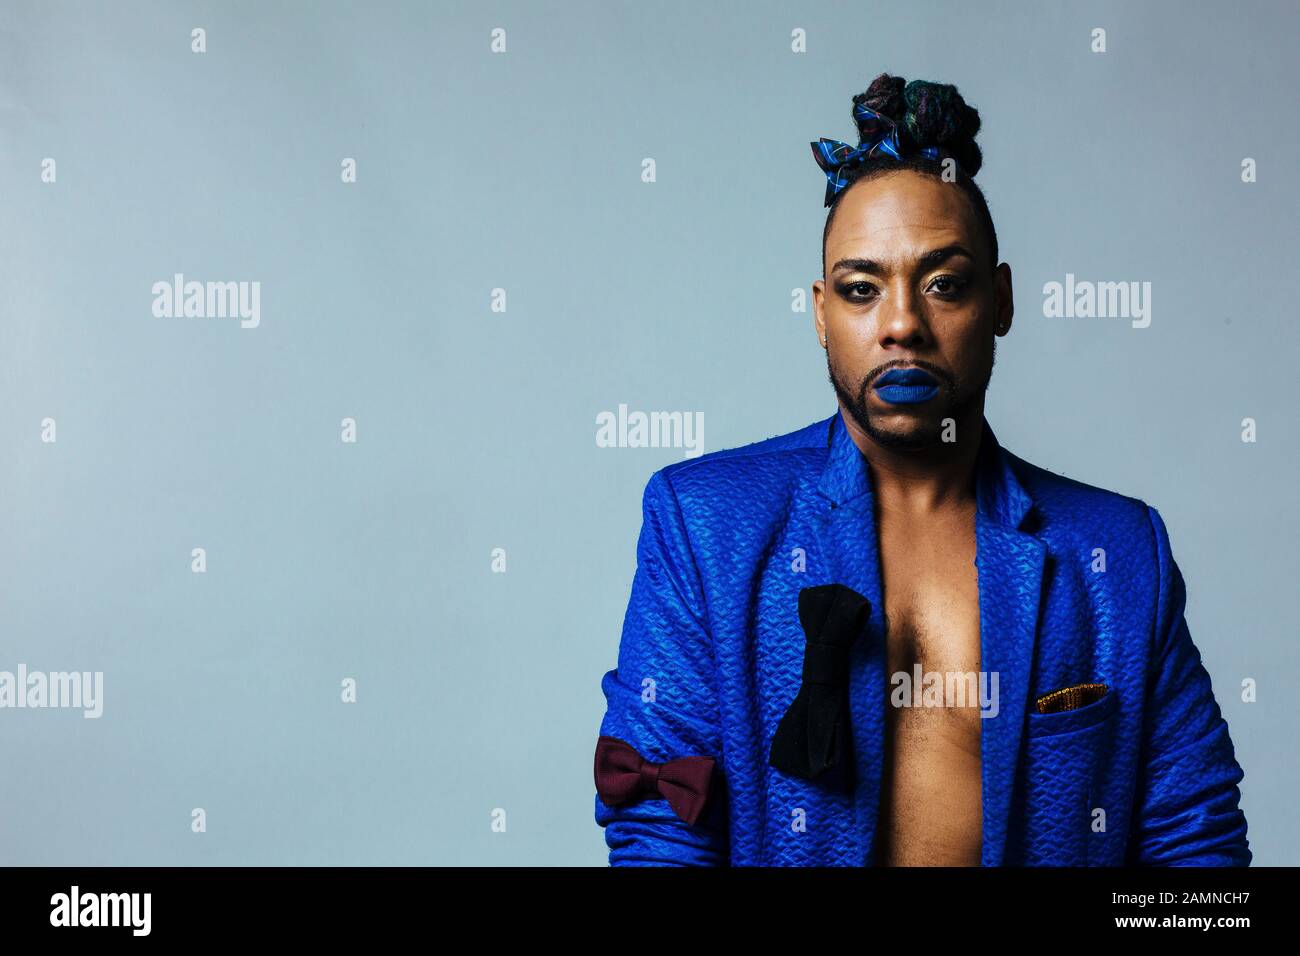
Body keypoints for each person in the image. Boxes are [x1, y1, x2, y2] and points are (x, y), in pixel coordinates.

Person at [591, 73, 1251, 866]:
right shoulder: (703, 525)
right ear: (820, 313)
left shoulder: (1117, 555)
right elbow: (662, 828)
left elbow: (1195, 846)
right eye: (861, 289)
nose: (902, 322)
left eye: (944, 283)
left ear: (1000, 302)